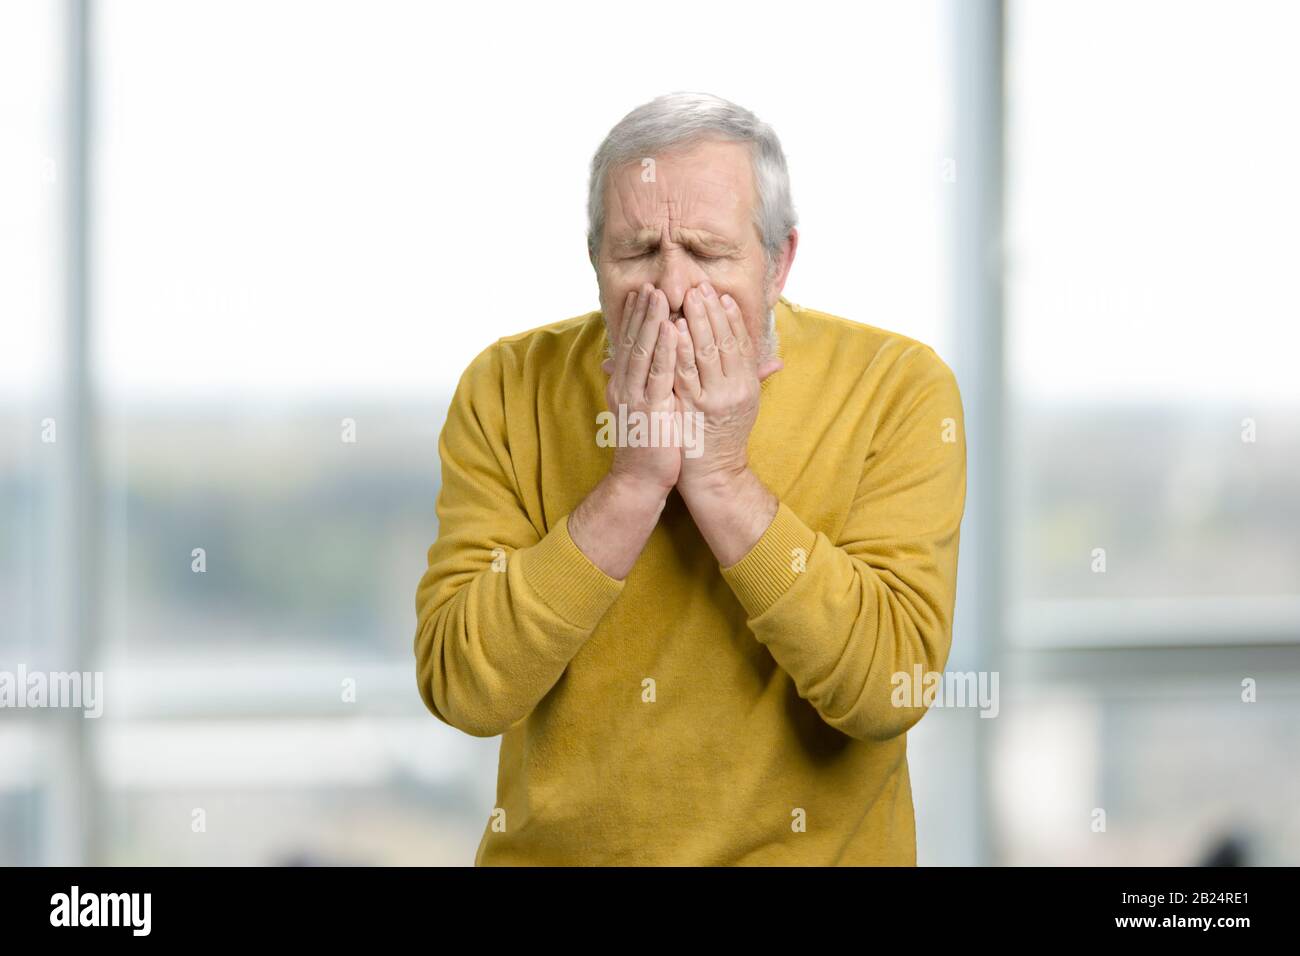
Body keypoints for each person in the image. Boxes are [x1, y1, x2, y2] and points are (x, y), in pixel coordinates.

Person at [414, 91, 967, 865]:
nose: (672, 292)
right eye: (636, 253)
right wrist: (634, 482)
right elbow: (465, 689)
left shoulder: (897, 388)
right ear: (594, 258)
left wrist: (723, 478)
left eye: (709, 254)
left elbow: (885, 691)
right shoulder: (507, 385)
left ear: (779, 262)